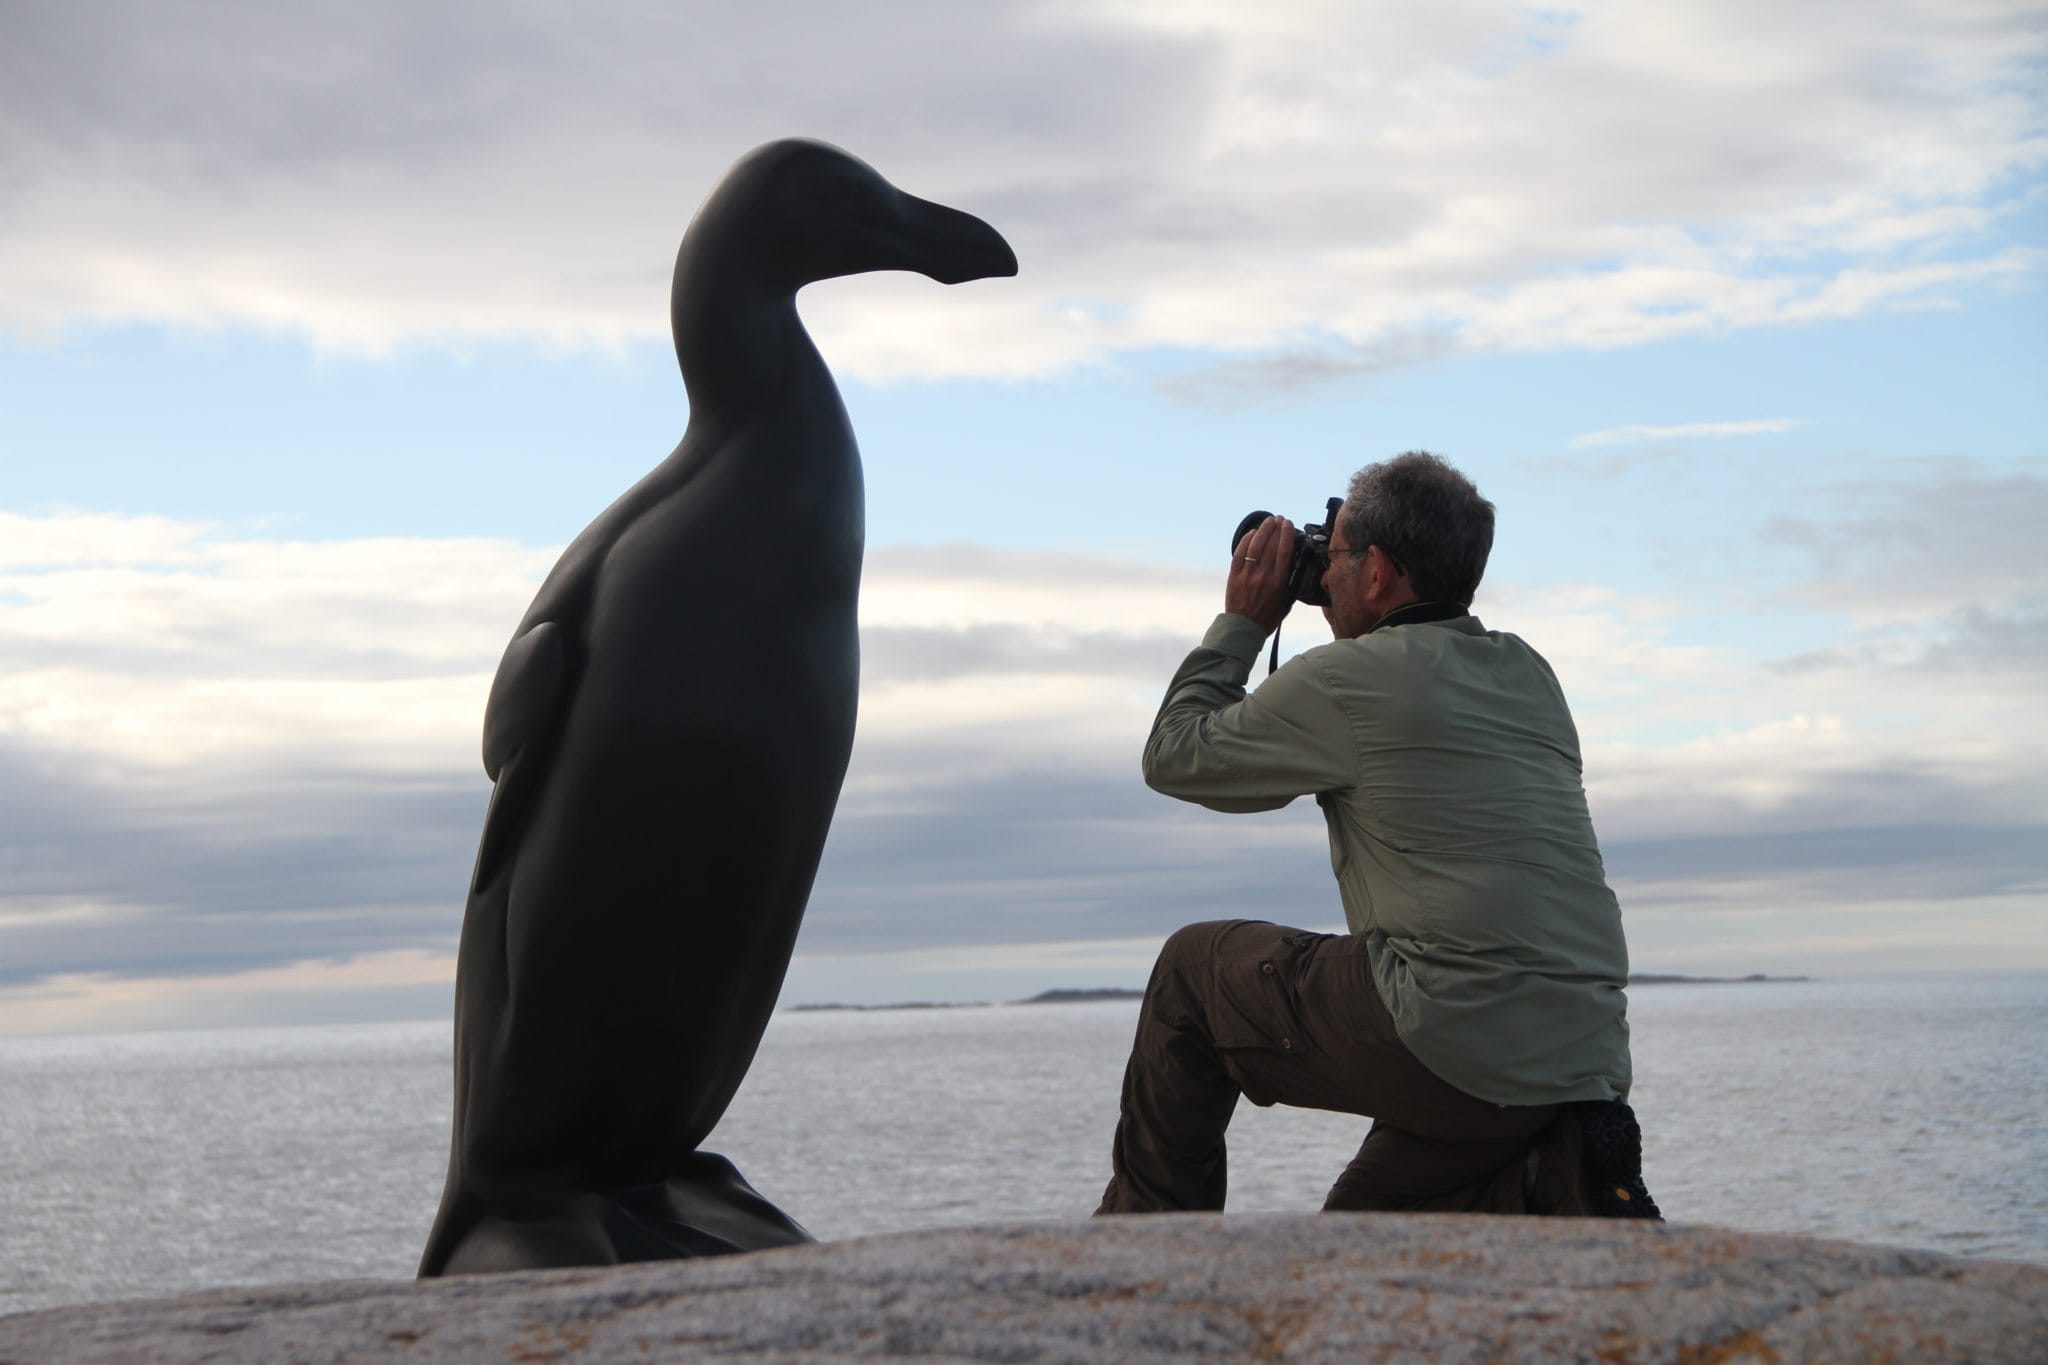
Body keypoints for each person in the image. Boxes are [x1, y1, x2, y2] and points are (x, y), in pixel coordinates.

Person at [1095, 451, 1656, 1218]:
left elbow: (1176, 756)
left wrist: (1244, 624)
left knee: (1192, 970)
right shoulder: (1529, 673)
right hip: (1581, 1058)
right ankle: (1548, 1169)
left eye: (1338, 554)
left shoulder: (1346, 678)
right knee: (1356, 1252)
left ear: (1381, 572)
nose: (1322, 575)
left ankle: (1143, 1256)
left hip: (1453, 1038)